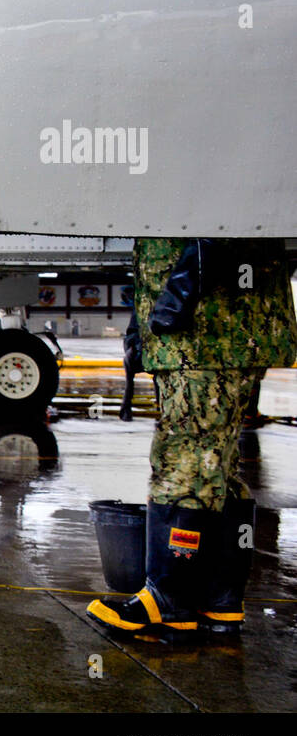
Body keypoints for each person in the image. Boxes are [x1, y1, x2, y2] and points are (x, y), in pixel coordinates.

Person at [89, 238, 297, 635]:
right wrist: (141, 326)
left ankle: (168, 601)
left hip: (205, 336)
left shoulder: (198, 186)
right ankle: (220, 600)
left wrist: (181, 290)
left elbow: (223, 226)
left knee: (184, 462)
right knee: (217, 467)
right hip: (217, 336)